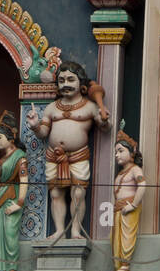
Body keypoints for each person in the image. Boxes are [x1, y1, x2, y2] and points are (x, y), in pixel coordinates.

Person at [28, 61, 110, 240]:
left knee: (78, 193)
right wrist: (35, 126)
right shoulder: (52, 108)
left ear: (81, 83)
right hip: (54, 156)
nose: (65, 84)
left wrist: (104, 119)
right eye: (62, 80)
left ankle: (75, 231)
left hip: (78, 156)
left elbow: (105, 127)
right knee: (56, 193)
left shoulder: (89, 106)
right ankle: (58, 230)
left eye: (71, 80)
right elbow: (43, 133)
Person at [0, 111, 28, 271]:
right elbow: (1, 182)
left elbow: (24, 181)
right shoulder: (4, 159)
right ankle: (2, 268)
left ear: (9, 138)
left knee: (10, 234)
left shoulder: (20, 157)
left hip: (12, 198)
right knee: (1, 234)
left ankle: (12, 269)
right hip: (2, 198)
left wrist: (19, 203)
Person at [112, 127, 145, 271]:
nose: (117, 155)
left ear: (132, 152)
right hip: (118, 208)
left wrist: (133, 204)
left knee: (127, 236)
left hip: (128, 207)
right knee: (116, 238)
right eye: (115, 152)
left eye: (120, 151)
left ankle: (125, 264)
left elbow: (143, 184)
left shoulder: (135, 169)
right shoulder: (121, 173)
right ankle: (118, 264)